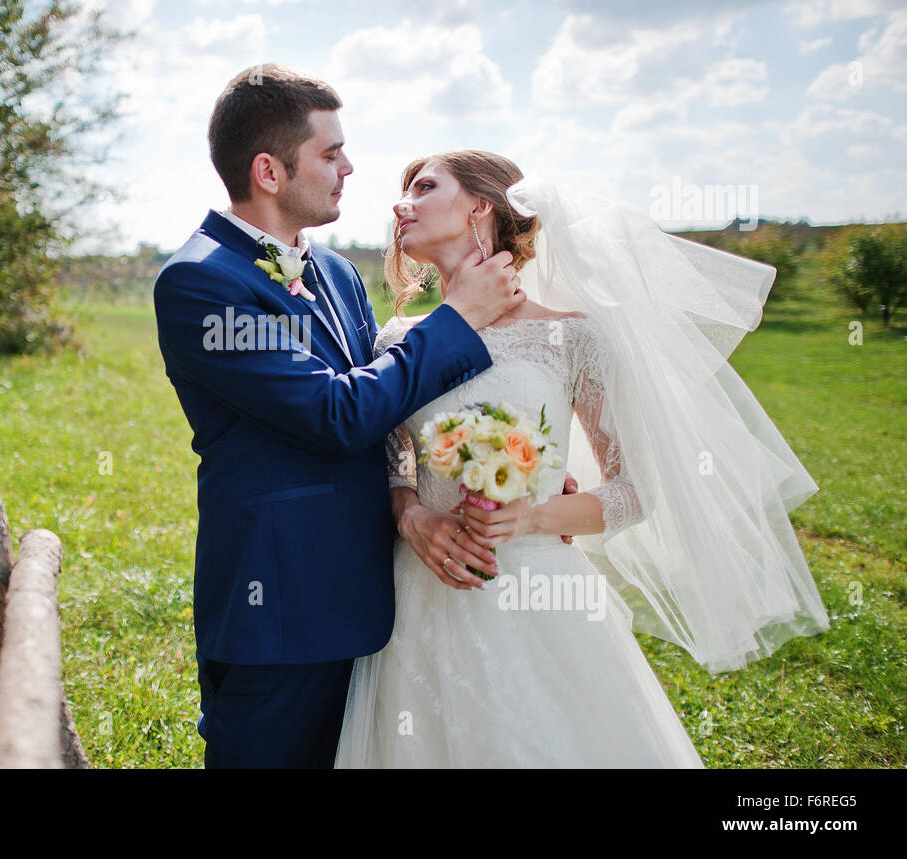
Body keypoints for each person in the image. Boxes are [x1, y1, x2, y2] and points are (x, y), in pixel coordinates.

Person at [333, 150, 831, 768]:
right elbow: (391, 459)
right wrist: (410, 513)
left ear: (481, 205)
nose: (399, 204)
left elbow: (638, 488)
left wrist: (532, 518)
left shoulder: (571, 336)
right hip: (419, 590)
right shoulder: (397, 340)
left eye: (424, 187)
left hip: (539, 597)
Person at [153, 66, 553, 768]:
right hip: (278, 611)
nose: (351, 167)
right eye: (330, 154)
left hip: (378, 601)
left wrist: (525, 479)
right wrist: (459, 315)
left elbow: (395, 403)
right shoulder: (199, 282)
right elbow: (338, 413)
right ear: (270, 171)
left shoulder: (335, 271)